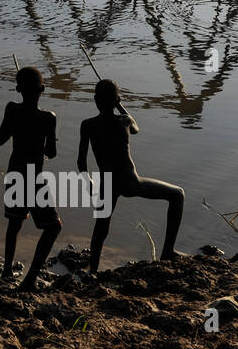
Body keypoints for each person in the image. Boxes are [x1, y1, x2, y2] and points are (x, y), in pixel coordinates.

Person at [78, 79, 184, 273]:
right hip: (130, 182)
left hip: (108, 183)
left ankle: (93, 270)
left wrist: (88, 181)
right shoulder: (124, 120)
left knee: (101, 228)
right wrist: (119, 103)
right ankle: (168, 250)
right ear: (116, 99)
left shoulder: (88, 125)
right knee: (177, 194)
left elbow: (81, 162)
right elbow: (136, 129)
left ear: (95, 100)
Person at [0, 66, 61, 291]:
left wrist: (16, 122)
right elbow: (51, 153)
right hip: (34, 177)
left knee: (14, 223)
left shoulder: (12, 109)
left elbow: (0, 139)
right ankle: (30, 278)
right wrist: (45, 139)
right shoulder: (48, 118)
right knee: (53, 226)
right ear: (42, 89)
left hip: (14, 173)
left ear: (18, 89)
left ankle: (6, 269)